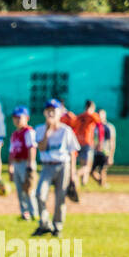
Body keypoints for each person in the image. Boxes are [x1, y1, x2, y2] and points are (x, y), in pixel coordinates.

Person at [32, 99, 80, 236]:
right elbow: (41, 147)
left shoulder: (66, 131)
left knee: (60, 198)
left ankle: (57, 227)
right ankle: (44, 223)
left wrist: (73, 173)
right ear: (44, 112)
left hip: (63, 166)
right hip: (47, 166)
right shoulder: (40, 129)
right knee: (39, 194)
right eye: (48, 110)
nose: (51, 113)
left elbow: (72, 152)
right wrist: (48, 130)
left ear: (60, 113)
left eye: (54, 110)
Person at [63, 99, 104, 190]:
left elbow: (72, 127)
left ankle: (82, 184)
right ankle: (75, 174)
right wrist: (100, 142)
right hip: (87, 142)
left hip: (78, 142)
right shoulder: (93, 115)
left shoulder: (79, 116)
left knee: (82, 165)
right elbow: (100, 126)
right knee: (87, 167)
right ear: (92, 107)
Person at [7, 106, 38, 221]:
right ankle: (24, 213)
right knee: (20, 190)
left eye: (20, 117)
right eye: (15, 118)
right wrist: (10, 167)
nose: (17, 120)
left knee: (29, 189)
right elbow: (11, 152)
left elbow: (32, 148)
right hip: (17, 163)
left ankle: (34, 212)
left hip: (26, 163)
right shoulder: (14, 134)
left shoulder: (29, 131)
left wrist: (30, 164)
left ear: (27, 118)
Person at [91, 109, 117, 187]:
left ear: (105, 115)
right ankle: (102, 183)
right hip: (95, 152)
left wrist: (111, 156)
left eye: (101, 114)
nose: (99, 116)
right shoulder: (94, 126)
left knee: (102, 170)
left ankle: (103, 185)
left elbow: (112, 142)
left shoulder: (109, 127)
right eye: (98, 114)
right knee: (91, 171)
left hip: (105, 152)